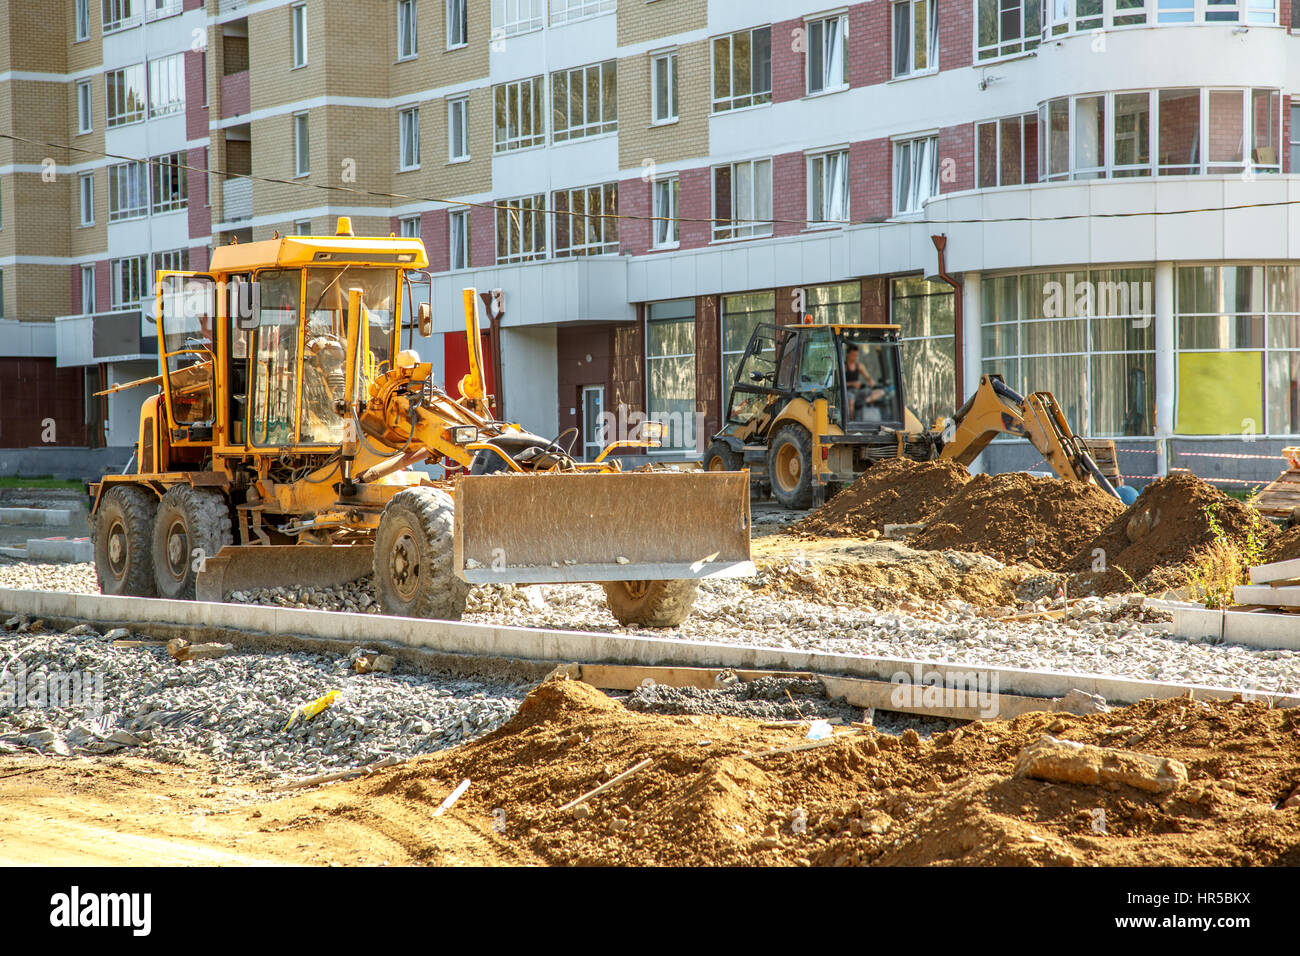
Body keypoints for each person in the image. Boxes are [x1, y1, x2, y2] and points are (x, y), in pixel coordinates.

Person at [844, 344, 885, 419]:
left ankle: (864, 402)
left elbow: (868, 377)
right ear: (848, 355)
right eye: (853, 355)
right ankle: (851, 421)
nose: (855, 357)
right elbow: (840, 384)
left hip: (859, 392)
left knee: (881, 392)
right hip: (848, 392)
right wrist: (853, 383)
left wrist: (870, 381)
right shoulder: (844, 367)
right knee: (851, 401)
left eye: (856, 355)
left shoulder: (859, 366)